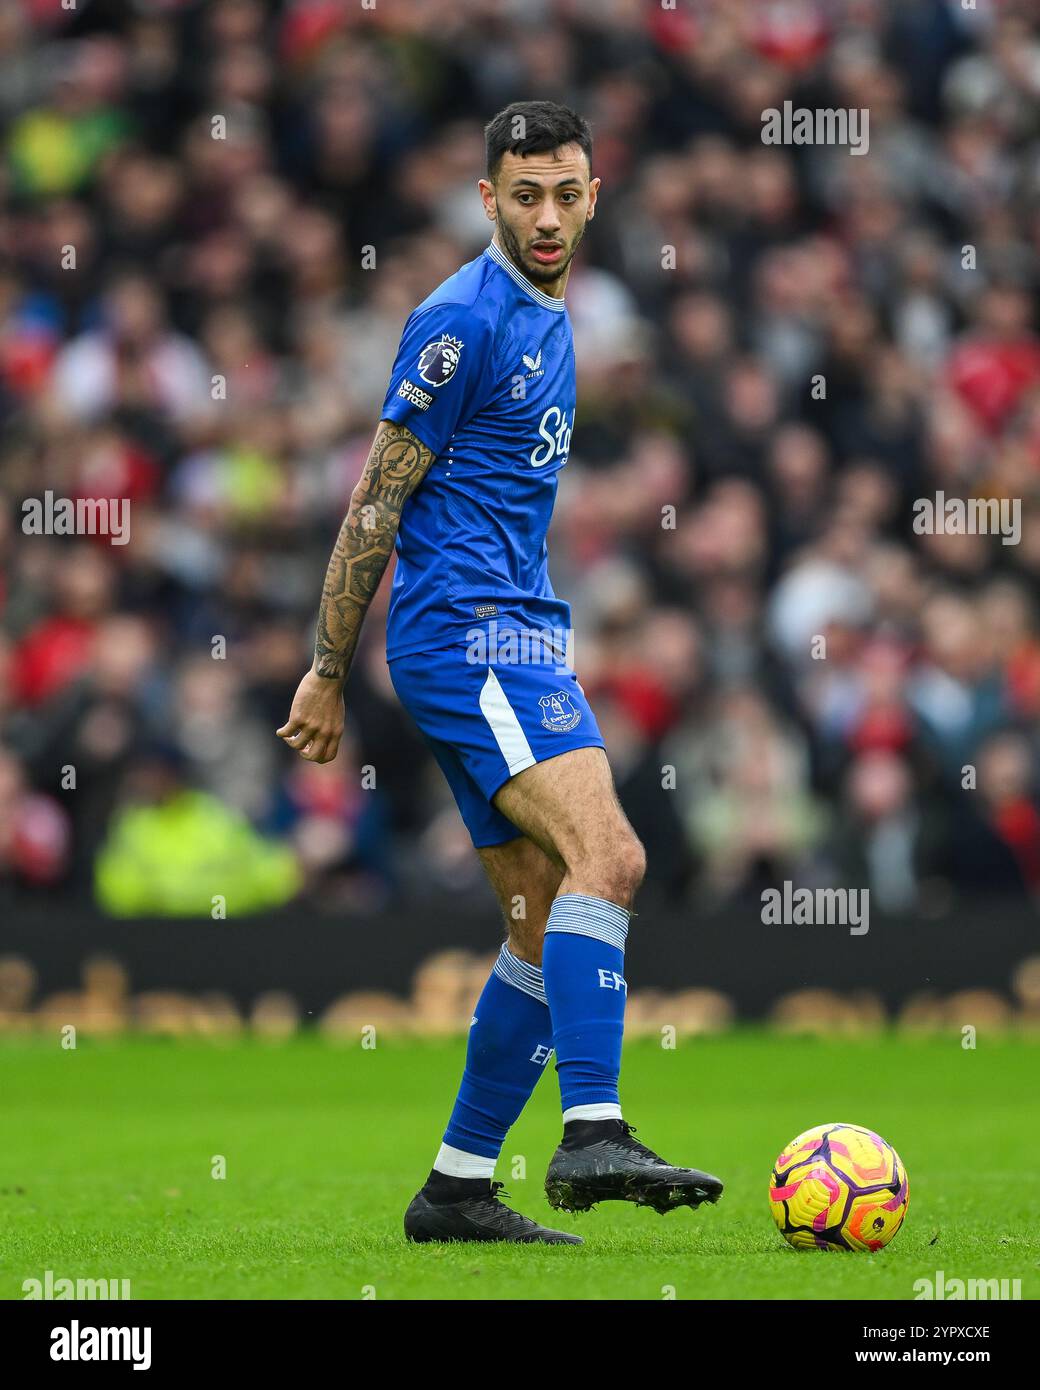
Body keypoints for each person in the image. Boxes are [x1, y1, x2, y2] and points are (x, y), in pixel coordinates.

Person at [278, 100, 723, 1244]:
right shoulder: (457, 322)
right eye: (522, 194)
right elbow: (377, 494)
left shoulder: (558, 309)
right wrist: (327, 665)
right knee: (609, 854)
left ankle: (457, 1186)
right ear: (486, 199)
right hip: (467, 637)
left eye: (565, 192)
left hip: (521, 633)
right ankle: (592, 1130)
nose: (545, 215)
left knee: (536, 917)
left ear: (591, 194)